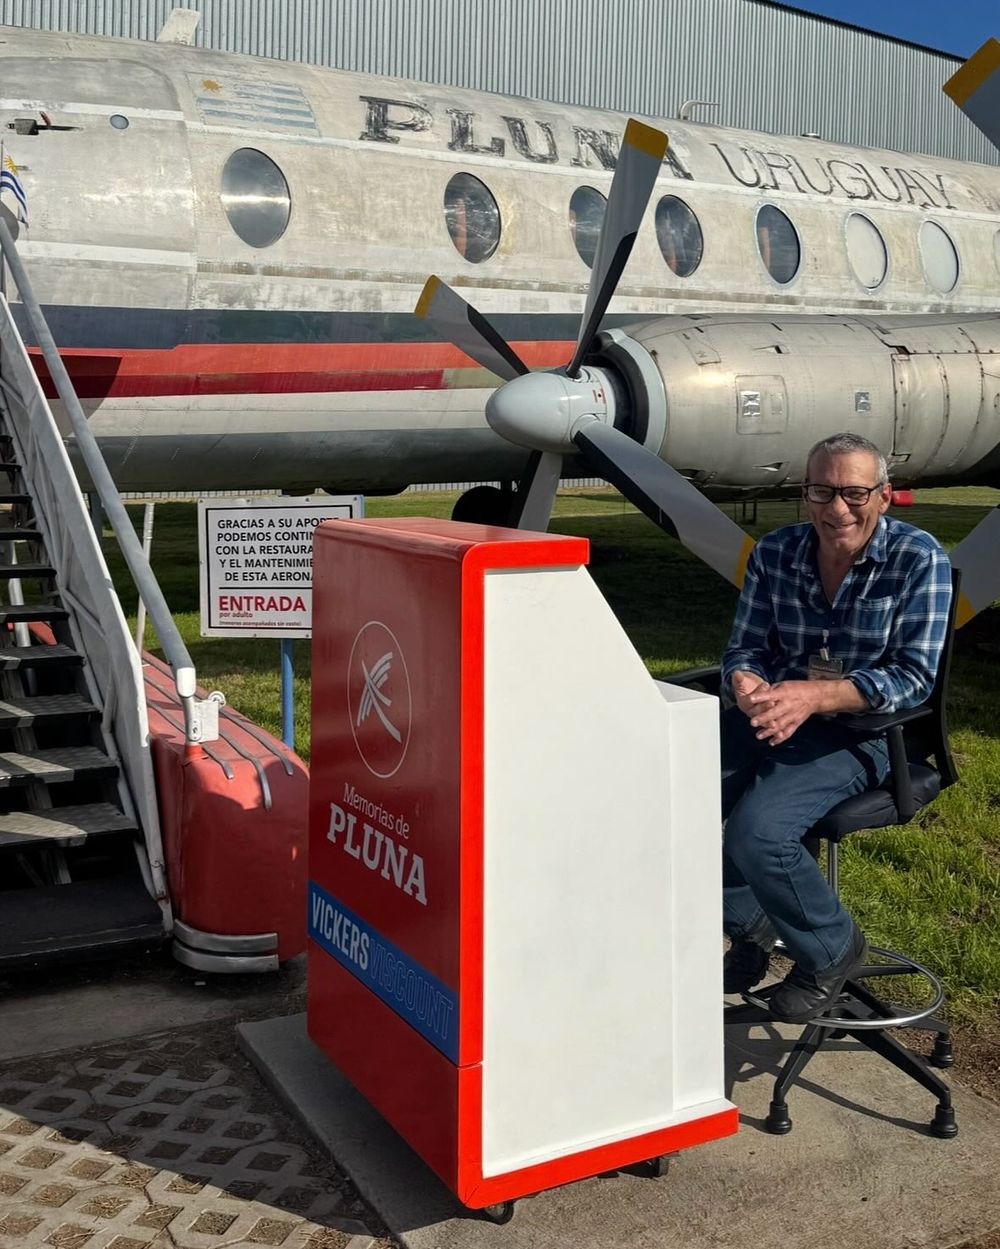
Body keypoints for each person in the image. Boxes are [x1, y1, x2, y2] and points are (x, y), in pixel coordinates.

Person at [719, 431, 952, 1022]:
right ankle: (750, 921)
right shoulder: (776, 552)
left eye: (854, 492)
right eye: (822, 491)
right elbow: (746, 647)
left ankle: (831, 949)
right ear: (805, 492)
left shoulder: (918, 558)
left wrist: (817, 697)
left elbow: (912, 678)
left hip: (871, 730)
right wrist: (746, 684)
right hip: (781, 710)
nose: (837, 508)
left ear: (884, 494)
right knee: (675, 788)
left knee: (758, 832)